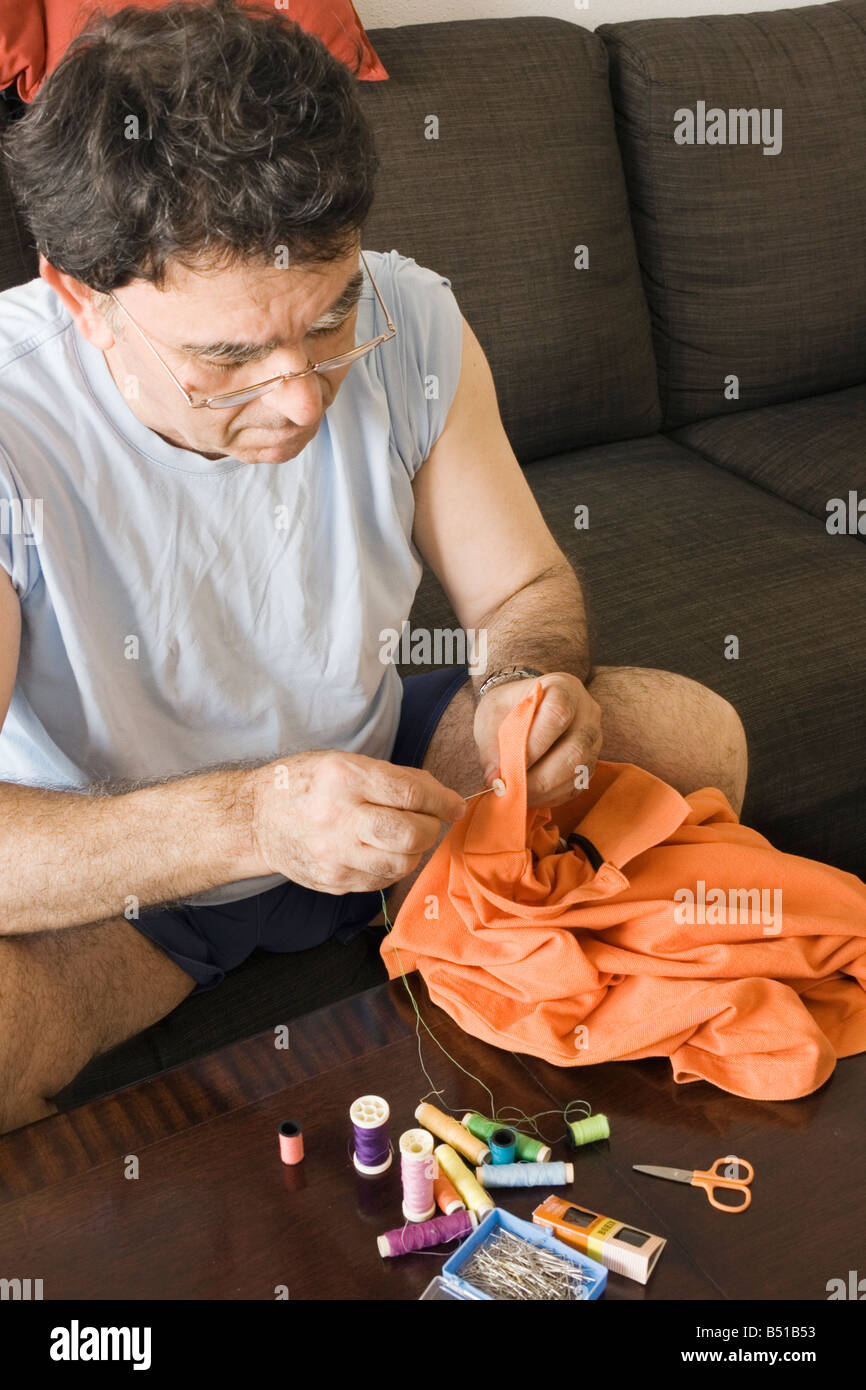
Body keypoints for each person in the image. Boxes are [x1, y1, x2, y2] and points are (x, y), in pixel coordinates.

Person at [0, 0, 746, 1133]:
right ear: (82, 301)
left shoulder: (413, 311)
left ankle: (437, 924)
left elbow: (523, 595)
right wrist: (255, 820)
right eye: (227, 356)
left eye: (330, 317)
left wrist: (529, 690)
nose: (301, 396)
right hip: (131, 873)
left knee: (697, 736)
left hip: (395, 783)